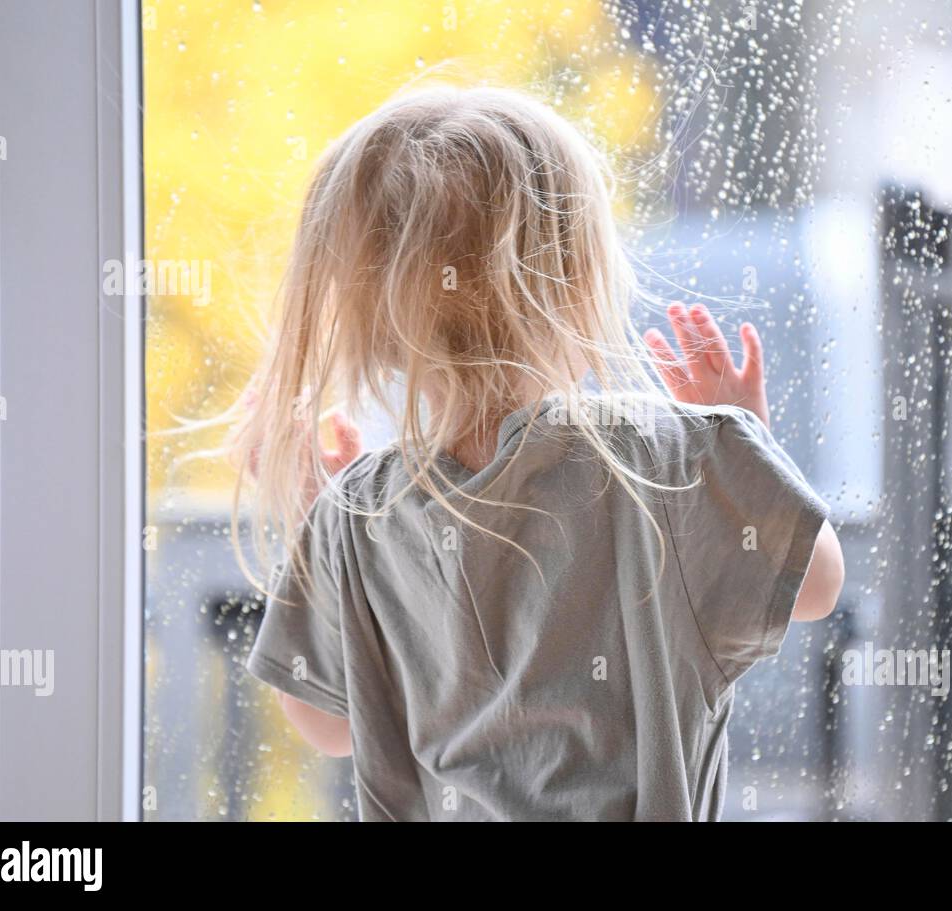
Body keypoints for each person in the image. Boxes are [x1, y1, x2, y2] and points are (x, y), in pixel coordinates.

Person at [233, 85, 844, 821]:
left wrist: (310, 526)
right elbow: (815, 589)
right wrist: (745, 453)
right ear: (580, 281)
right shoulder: (663, 460)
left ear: (378, 320)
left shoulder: (358, 512)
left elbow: (329, 724)